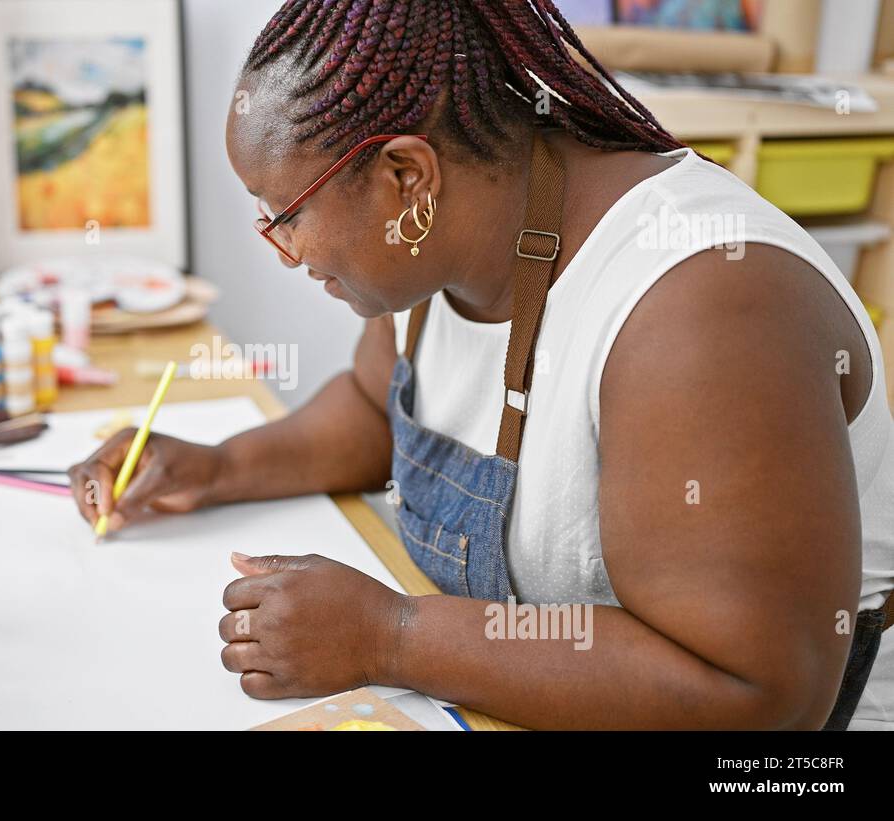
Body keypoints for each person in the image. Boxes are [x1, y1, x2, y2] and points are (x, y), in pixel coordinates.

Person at [68, 0, 894, 729]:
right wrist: (213, 468)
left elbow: (751, 693)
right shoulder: (448, 242)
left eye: (284, 215)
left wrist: (392, 635)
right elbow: (374, 408)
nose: (281, 251)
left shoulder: (698, 305)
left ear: (405, 176)